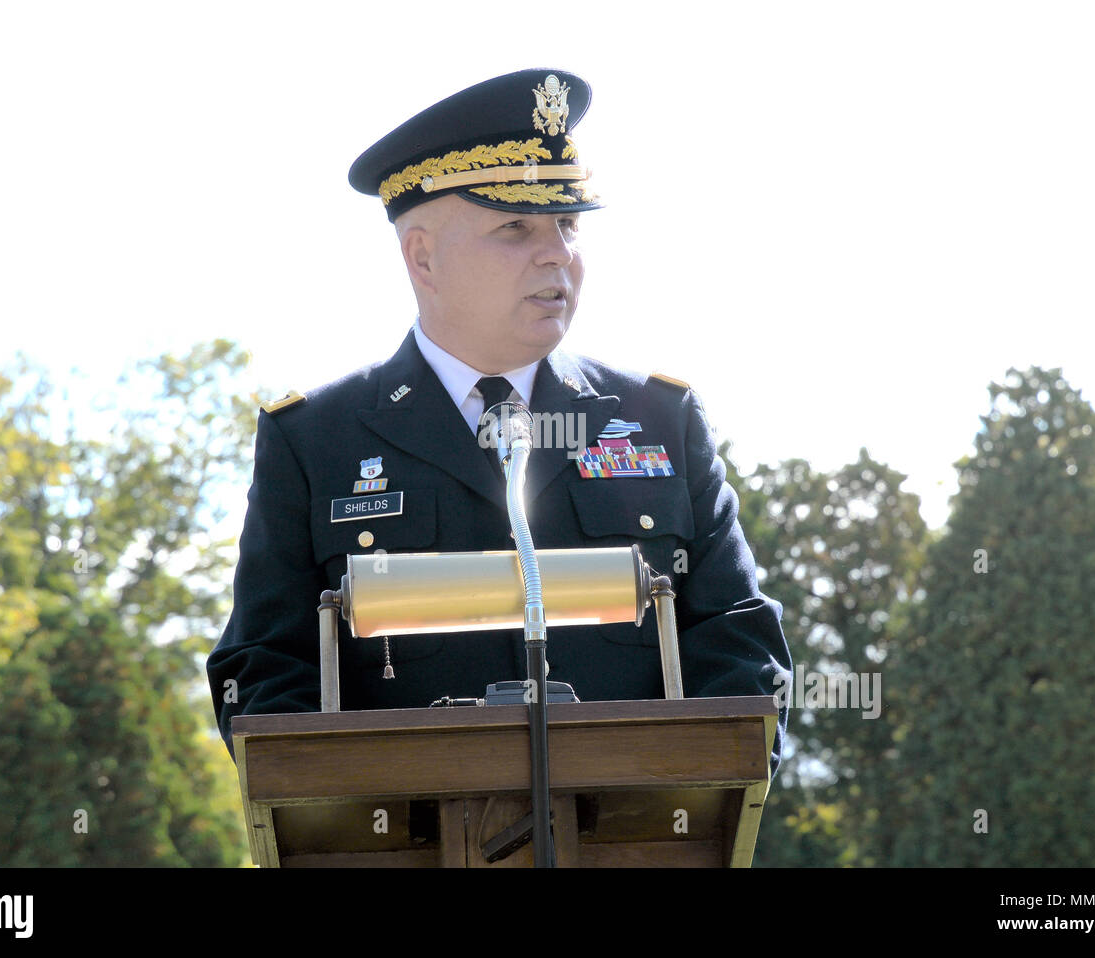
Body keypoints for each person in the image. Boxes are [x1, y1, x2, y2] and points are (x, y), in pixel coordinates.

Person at [206, 68, 792, 773]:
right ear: (421, 255)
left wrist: (686, 798)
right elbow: (265, 667)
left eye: (567, 224)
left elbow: (738, 642)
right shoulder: (316, 439)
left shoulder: (657, 421)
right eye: (515, 226)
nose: (556, 255)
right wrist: (347, 810)